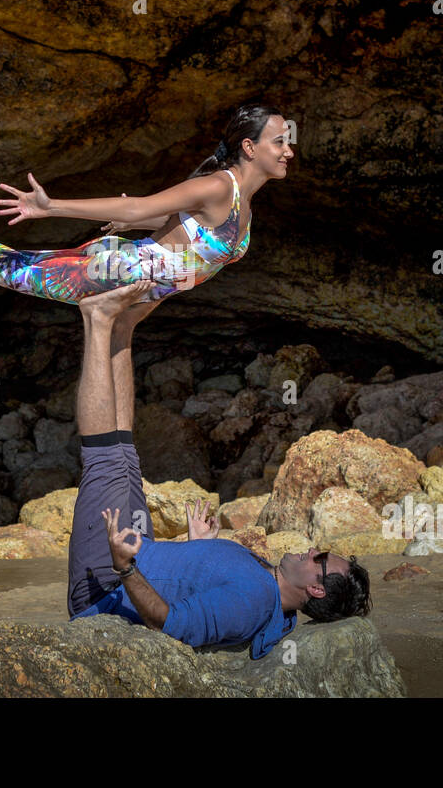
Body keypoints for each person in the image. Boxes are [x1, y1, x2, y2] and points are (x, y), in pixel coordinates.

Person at [66, 280, 371, 659]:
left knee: (104, 459)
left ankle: (96, 317)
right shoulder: (268, 592)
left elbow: (168, 623)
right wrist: (197, 551)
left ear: (317, 589)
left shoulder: (251, 605)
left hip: (106, 587)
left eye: (320, 559)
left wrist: (125, 568)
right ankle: (123, 327)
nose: (311, 550)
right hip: (137, 551)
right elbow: (197, 602)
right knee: (125, 452)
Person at [0, 104, 293, 304]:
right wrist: (51, 208)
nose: (288, 150)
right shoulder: (219, 187)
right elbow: (138, 209)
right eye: (279, 141)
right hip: (116, 271)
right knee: (2, 266)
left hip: (136, 283)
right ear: (249, 148)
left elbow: (164, 224)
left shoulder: (242, 208)